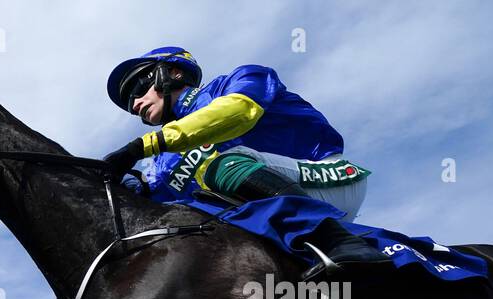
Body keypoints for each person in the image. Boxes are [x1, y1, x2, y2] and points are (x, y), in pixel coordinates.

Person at [101, 47, 390, 273]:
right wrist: (109, 178)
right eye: (129, 104)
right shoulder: (163, 162)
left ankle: (336, 239)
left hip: (329, 181)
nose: (135, 105)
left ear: (173, 72)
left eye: (138, 89)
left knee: (223, 164)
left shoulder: (240, 79)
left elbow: (237, 113)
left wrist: (140, 147)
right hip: (265, 214)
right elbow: (148, 201)